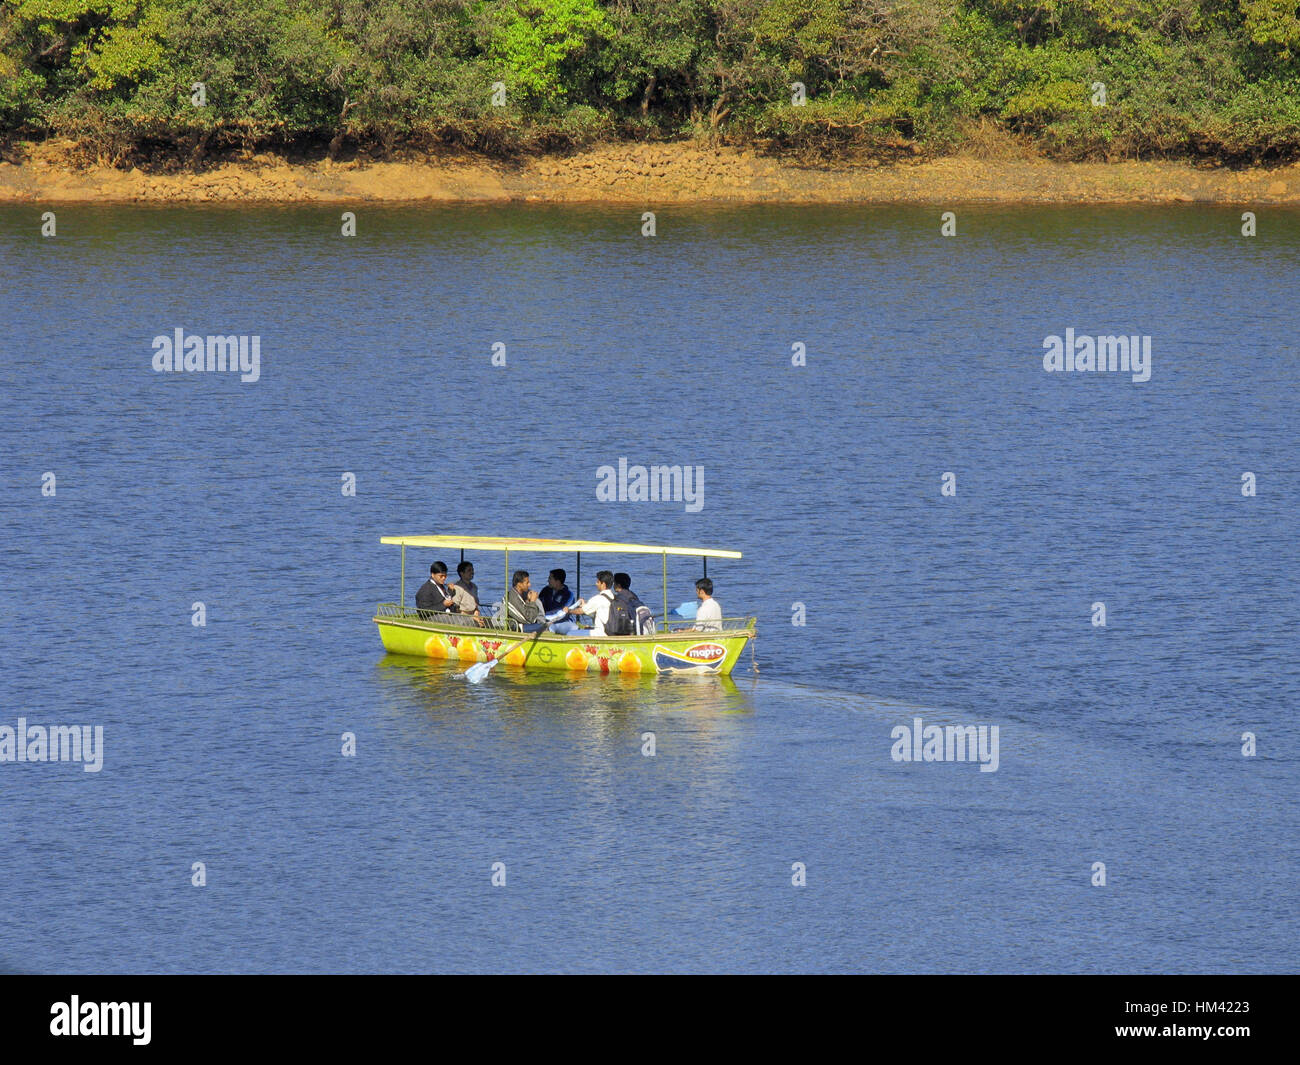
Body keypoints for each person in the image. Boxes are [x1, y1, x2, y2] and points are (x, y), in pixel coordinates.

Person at [565, 570, 615, 636]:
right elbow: (592, 608)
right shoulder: (614, 597)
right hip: (610, 631)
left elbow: (581, 611)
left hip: (600, 632)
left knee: (570, 633)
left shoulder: (598, 598)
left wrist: (568, 611)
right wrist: (584, 604)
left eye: (598, 582)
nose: (596, 584)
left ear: (603, 584)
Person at [539, 569, 579, 635]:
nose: (548, 581)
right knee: (544, 629)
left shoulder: (569, 595)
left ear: (557, 581)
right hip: (546, 622)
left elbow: (562, 612)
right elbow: (539, 605)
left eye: (550, 578)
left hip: (562, 622)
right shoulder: (545, 590)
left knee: (574, 628)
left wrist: (545, 616)